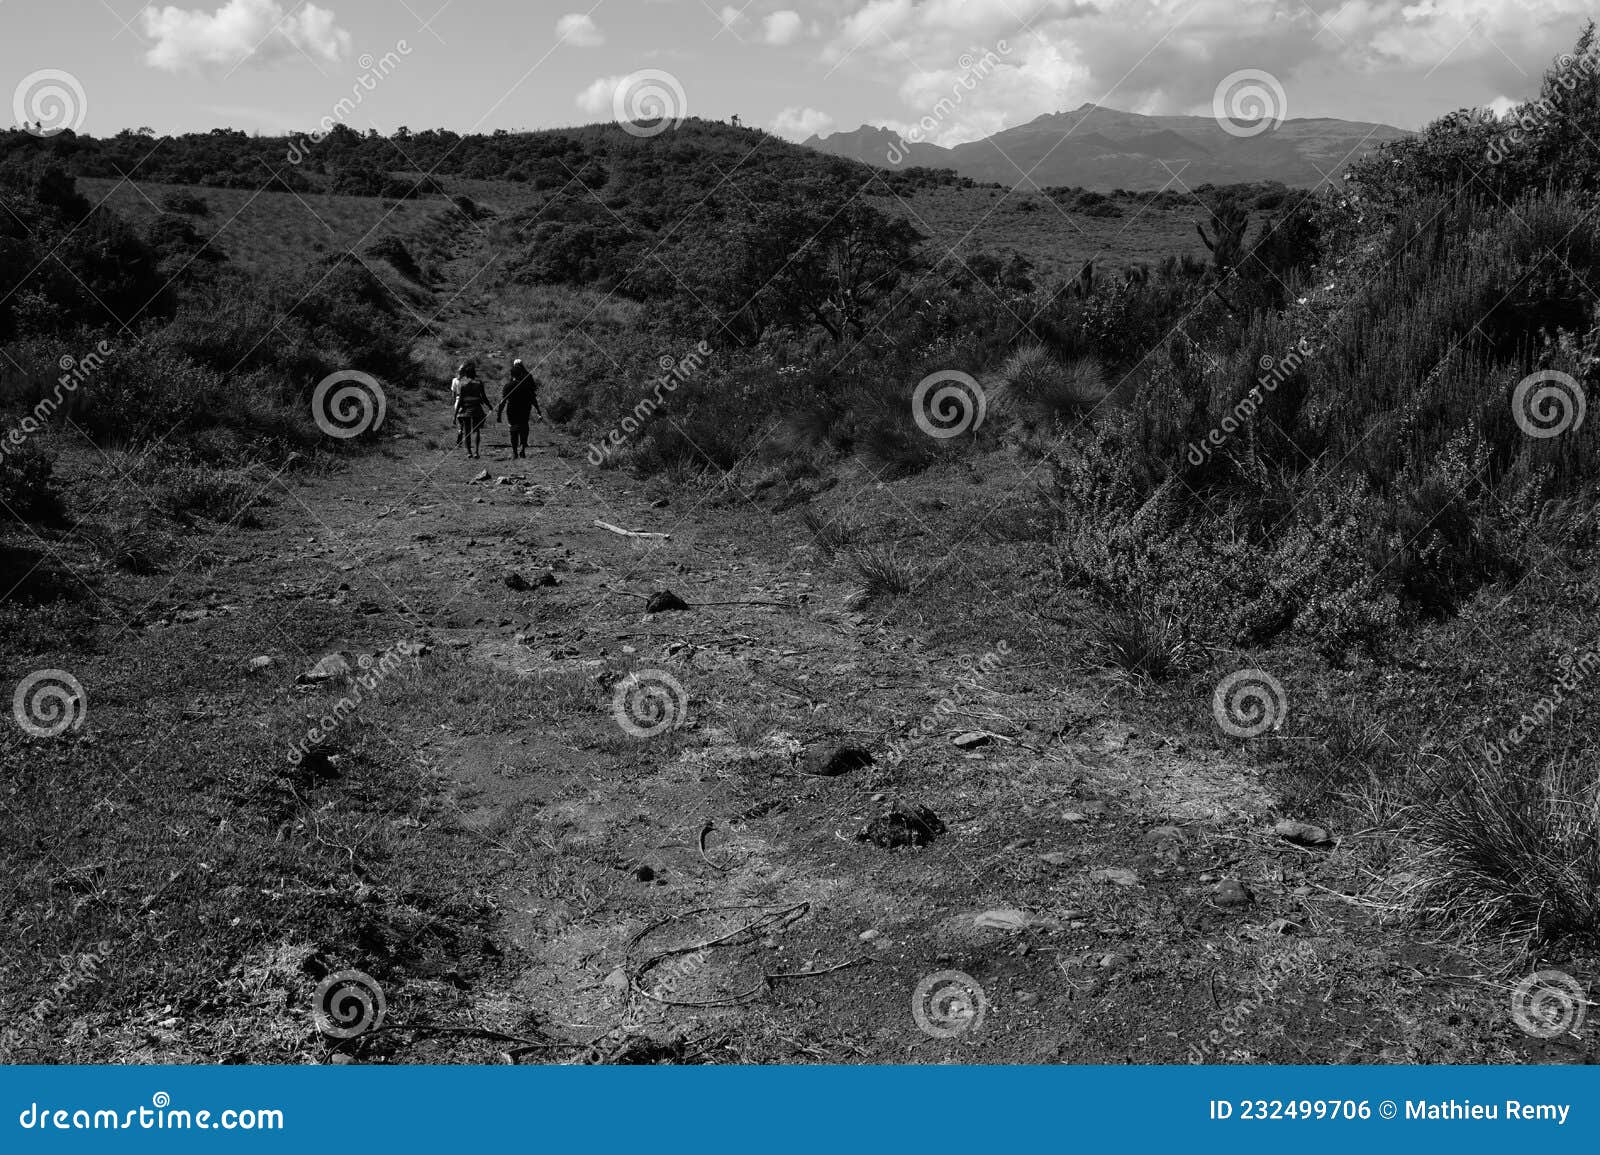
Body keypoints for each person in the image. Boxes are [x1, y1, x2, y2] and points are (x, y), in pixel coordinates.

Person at [496, 358, 543, 459]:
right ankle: (522, 448)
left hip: (511, 410)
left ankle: (514, 452)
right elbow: (533, 399)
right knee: (524, 428)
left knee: (513, 431)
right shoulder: (526, 385)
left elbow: (503, 402)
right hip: (524, 410)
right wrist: (538, 411)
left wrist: (499, 414)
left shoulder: (507, 386)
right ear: (521, 374)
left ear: (511, 375)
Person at [451, 360, 491, 459]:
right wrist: (489, 406)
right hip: (477, 409)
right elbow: (484, 397)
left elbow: (460, 400)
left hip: (465, 409)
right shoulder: (479, 383)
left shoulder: (462, 384)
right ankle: (476, 451)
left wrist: (455, 414)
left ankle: (469, 452)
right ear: (474, 373)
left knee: (467, 431)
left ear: (466, 374)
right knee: (477, 430)